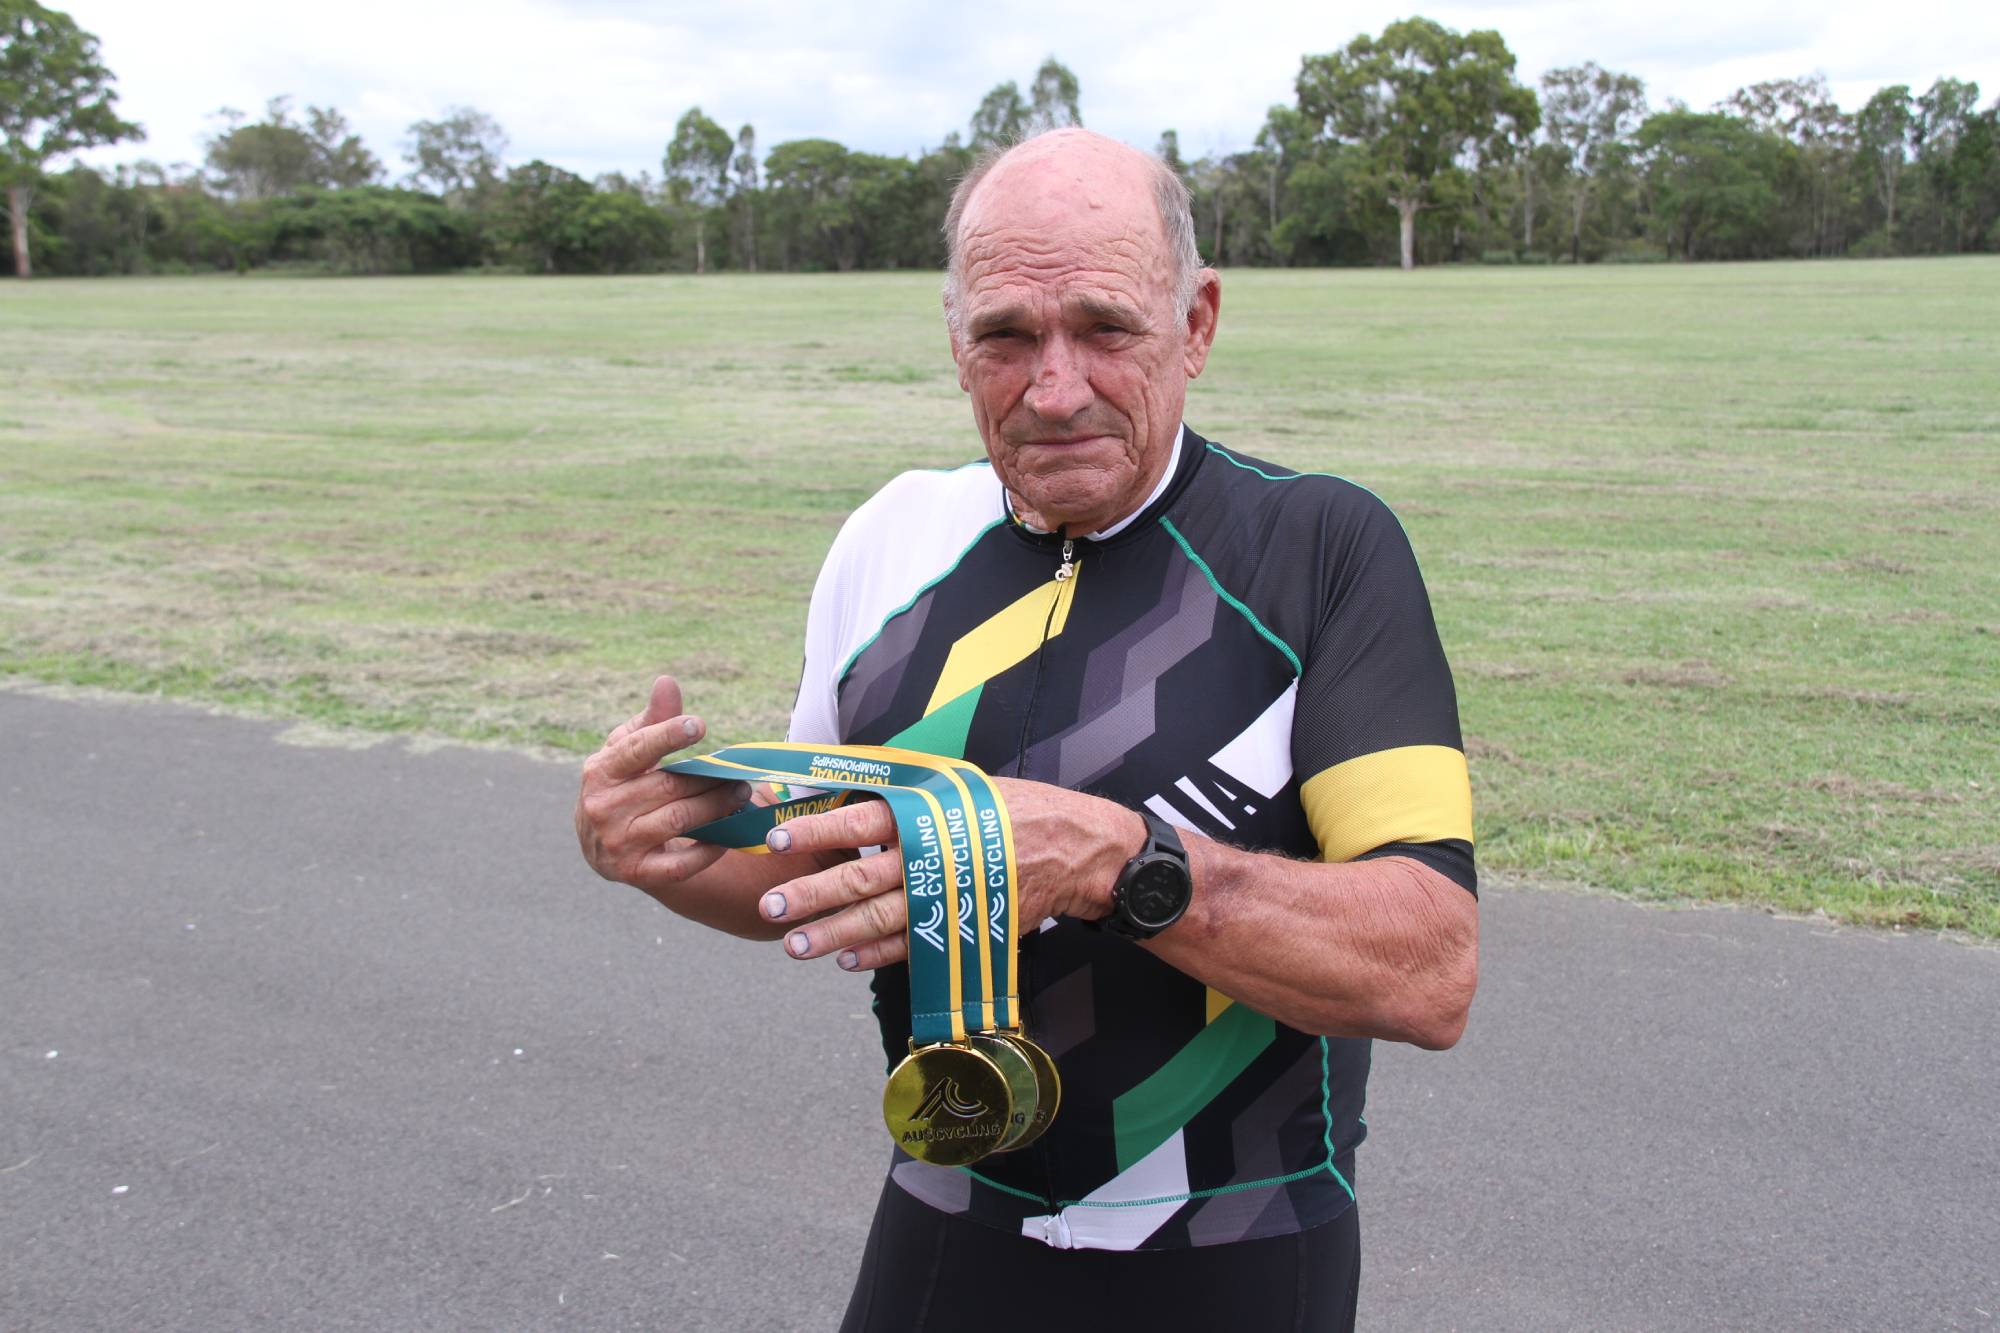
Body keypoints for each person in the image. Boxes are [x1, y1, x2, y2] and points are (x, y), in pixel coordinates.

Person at [575, 128, 1476, 1331]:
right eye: (1005, 336)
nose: (1053, 390)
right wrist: (666, 848)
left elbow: (1428, 966)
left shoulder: (1318, 549)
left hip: (1233, 1241)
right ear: (954, 341)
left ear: (1195, 324)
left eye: (1104, 328)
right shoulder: (890, 539)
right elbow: (813, 870)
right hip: (949, 1212)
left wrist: (1118, 864)